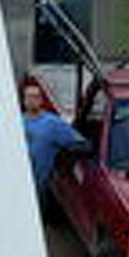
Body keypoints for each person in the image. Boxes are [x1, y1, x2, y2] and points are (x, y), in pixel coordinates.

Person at [21, 78, 86, 206]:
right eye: (28, 97)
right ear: (24, 100)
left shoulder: (52, 123)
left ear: (41, 100)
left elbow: (79, 142)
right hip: (18, 184)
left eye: (36, 97)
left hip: (39, 187)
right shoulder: (16, 120)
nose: (32, 100)